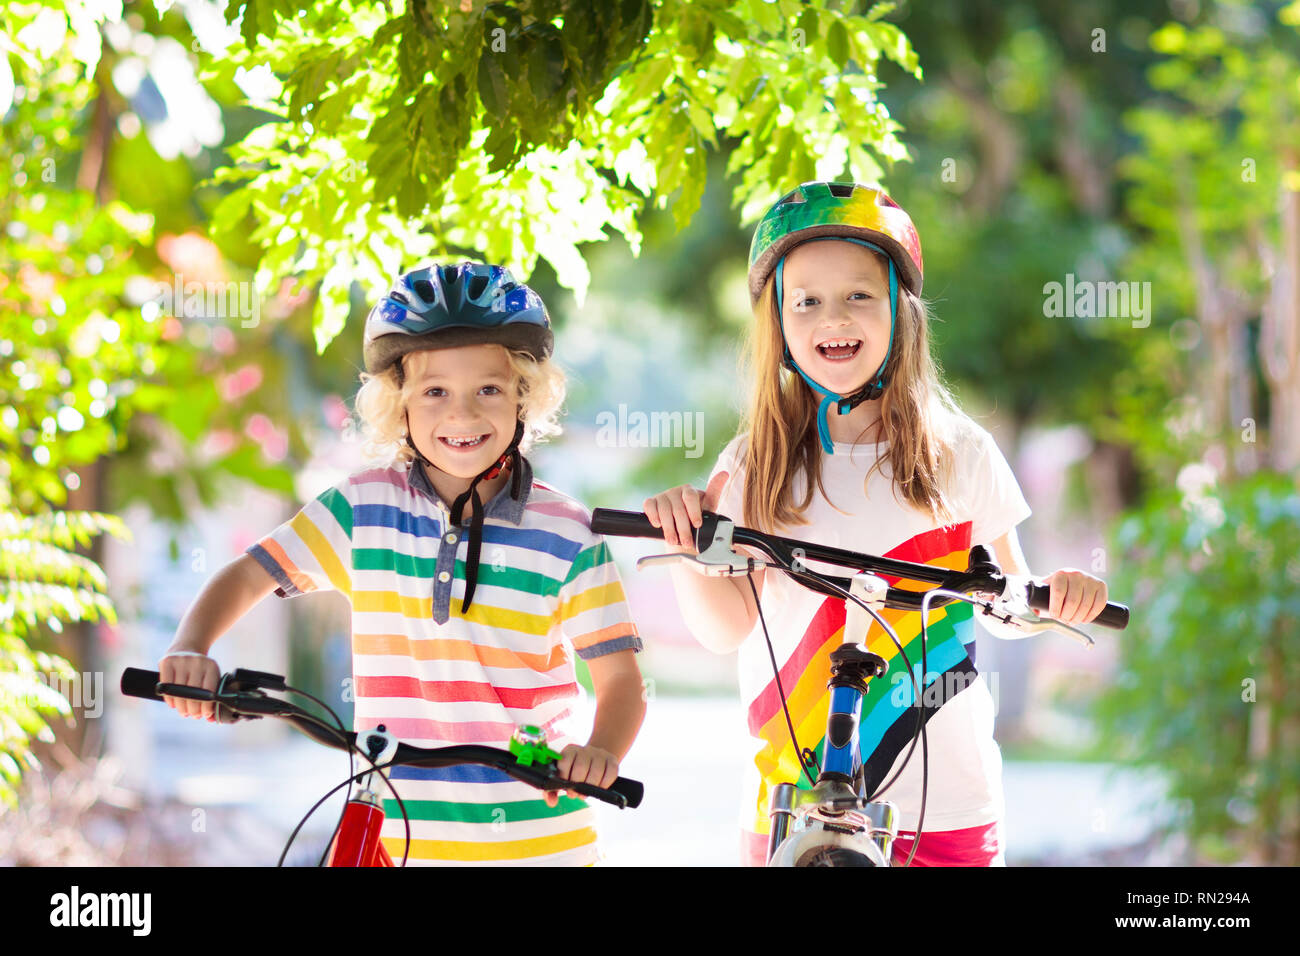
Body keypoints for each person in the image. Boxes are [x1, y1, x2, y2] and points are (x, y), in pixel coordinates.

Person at [644, 182, 1110, 866]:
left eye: (859, 294)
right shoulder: (752, 465)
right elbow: (725, 628)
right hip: (793, 801)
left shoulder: (960, 454)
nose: (832, 316)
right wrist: (689, 550)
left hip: (946, 807)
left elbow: (1008, 602)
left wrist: (1056, 597)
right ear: (779, 324)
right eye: (805, 301)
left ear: (901, 312)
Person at [159, 261, 646, 866]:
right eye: (435, 390)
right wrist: (192, 645)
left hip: (535, 842)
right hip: (394, 836)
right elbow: (251, 572)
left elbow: (622, 681)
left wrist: (601, 752)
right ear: (399, 404)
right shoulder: (362, 507)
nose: (462, 414)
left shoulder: (568, 533)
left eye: (488, 389)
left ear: (524, 395)